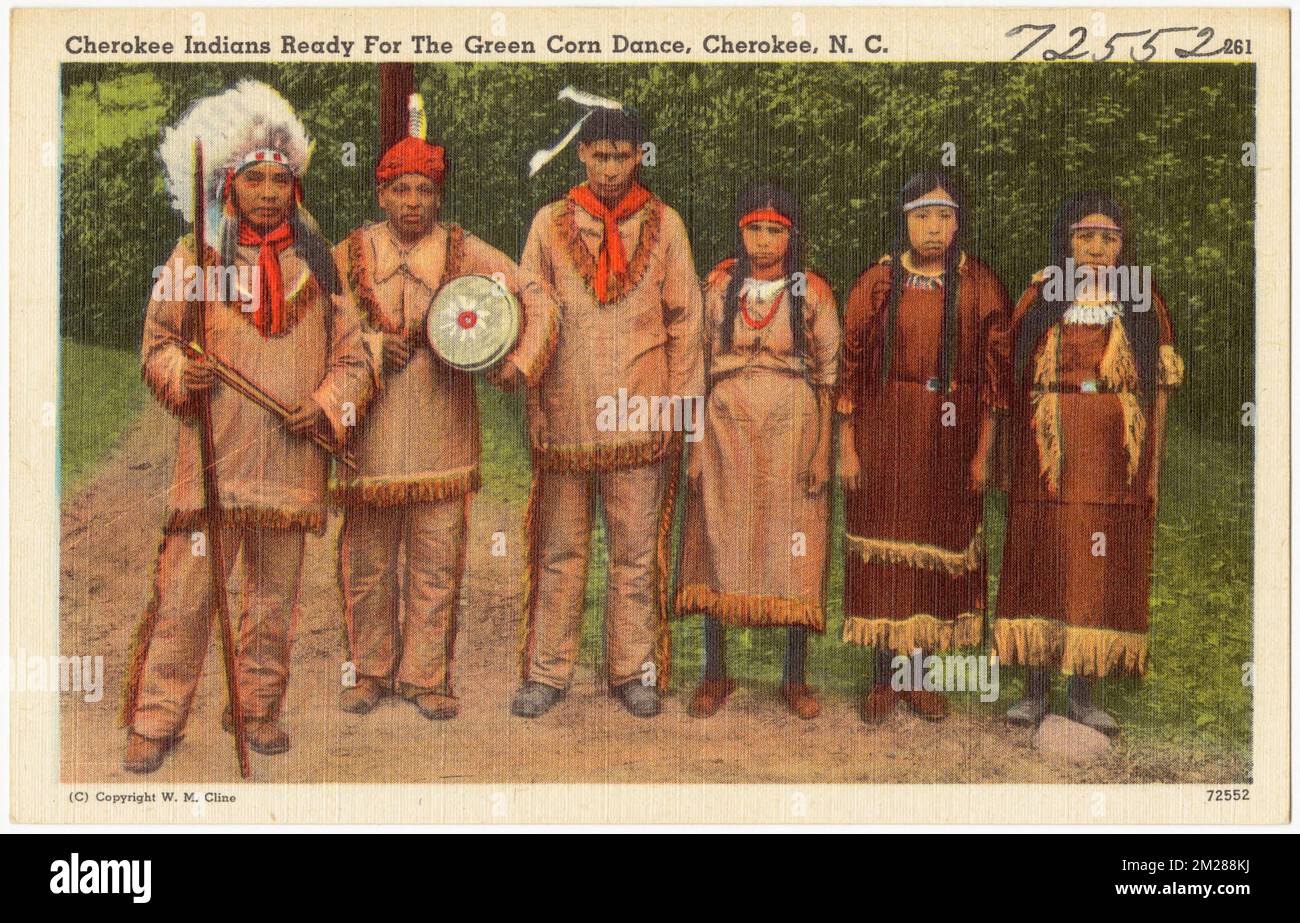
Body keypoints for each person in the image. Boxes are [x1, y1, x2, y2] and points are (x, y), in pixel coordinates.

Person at [122, 80, 373, 773]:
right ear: (227, 185)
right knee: (188, 596)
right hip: (214, 464)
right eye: (254, 179)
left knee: (271, 604)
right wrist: (182, 373)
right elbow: (157, 344)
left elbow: (356, 357)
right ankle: (156, 717)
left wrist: (324, 404)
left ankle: (258, 709)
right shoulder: (194, 260)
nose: (269, 192)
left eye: (280, 180)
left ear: (295, 187)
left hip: (292, 465)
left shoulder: (319, 266)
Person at [331, 95, 558, 721]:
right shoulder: (349, 255)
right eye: (401, 191)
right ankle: (371, 670)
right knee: (369, 562)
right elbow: (323, 333)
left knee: (436, 559)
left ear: (438, 197)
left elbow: (533, 291)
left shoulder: (463, 251)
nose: (413, 203)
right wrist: (374, 349)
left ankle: (426, 676)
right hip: (370, 438)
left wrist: (520, 362)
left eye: (424, 192)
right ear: (381, 196)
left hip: (442, 432)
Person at [513, 102, 704, 719]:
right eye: (600, 154)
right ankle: (547, 672)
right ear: (581, 156)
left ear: (640, 156)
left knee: (634, 552)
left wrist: (679, 410)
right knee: (561, 551)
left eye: (623, 154)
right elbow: (530, 308)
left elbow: (686, 321)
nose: (612, 166)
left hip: (640, 417)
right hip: (567, 415)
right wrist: (528, 389)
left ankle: (632, 671)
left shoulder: (666, 224)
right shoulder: (548, 224)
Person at [995, 191, 1183, 736]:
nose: (1097, 248)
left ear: (1122, 246)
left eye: (1109, 238)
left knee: (1096, 562)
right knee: (1045, 554)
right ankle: (1034, 690)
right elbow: (1010, 384)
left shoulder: (1142, 301)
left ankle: (1083, 693)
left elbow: (1160, 391)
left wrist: (1152, 468)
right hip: (1046, 450)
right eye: (1085, 236)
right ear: (1067, 241)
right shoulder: (1040, 295)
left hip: (1112, 454)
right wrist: (1008, 457)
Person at [837, 171, 1011, 724]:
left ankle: (922, 674)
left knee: (938, 545)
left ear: (959, 223)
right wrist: (846, 445)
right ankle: (883, 677)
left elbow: (995, 381)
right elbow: (848, 370)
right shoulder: (877, 283)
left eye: (944, 216)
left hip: (950, 439)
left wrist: (984, 451)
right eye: (921, 216)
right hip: (883, 432)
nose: (933, 228)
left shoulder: (981, 286)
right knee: (884, 548)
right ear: (904, 221)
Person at [676, 182, 839, 720]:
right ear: (740, 231)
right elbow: (696, 364)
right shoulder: (719, 284)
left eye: (775, 231)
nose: (764, 241)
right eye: (755, 229)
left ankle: (795, 676)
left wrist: (822, 453)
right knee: (718, 535)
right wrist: (695, 444)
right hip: (725, 426)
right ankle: (714, 672)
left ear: (791, 236)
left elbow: (829, 376)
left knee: (794, 543)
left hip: (793, 427)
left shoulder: (812, 290)